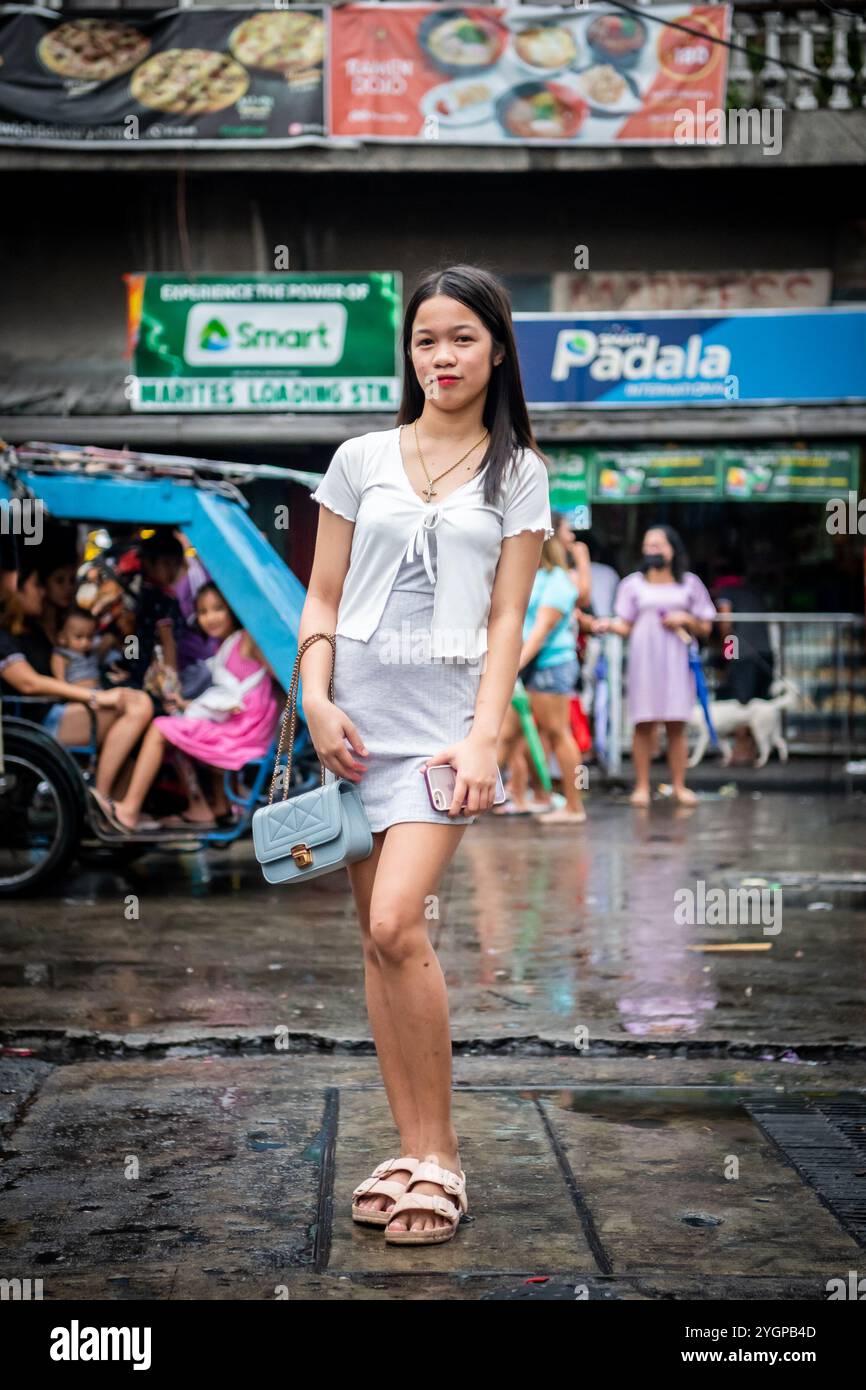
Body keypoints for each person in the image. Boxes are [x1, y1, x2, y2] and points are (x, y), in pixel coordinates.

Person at [303, 264, 553, 1245]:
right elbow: (320, 599)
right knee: (376, 939)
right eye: (423, 341)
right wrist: (315, 699)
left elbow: (506, 617)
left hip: (442, 731)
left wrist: (486, 731)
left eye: (459, 338)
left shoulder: (517, 469)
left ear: (495, 347)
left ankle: (441, 1155)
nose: (440, 357)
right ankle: (409, 1146)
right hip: (353, 722)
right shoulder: (360, 457)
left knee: (402, 918)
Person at [91, 583, 279, 832]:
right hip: (237, 724)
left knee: (160, 728)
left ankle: (129, 810)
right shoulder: (224, 645)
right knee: (175, 727)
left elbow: (282, 676)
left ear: (231, 609)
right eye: (202, 611)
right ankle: (210, 807)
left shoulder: (247, 641)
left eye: (217, 609)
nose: (209, 618)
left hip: (247, 730)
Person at [0, 559, 154, 796]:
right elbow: (29, 683)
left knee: (141, 702)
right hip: (39, 722)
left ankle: (120, 804)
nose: (41, 593)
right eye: (36, 586)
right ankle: (102, 798)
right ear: (15, 590)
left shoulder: (36, 630)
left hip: (56, 712)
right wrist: (95, 697)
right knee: (138, 705)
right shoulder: (5, 639)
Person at [600, 524, 715, 807]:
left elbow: (706, 626)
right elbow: (625, 624)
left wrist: (685, 619)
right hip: (644, 662)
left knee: (677, 724)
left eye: (658, 545)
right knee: (644, 724)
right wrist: (603, 625)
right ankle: (641, 786)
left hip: (677, 662)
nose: (652, 550)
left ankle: (679, 786)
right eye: (648, 545)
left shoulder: (689, 584)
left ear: (672, 549)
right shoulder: (632, 584)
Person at [496, 537, 592, 822]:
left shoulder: (558, 581)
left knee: (558, 733)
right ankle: (475, 799)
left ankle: (574, 807)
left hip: (549, 665)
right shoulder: (535, 576)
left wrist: (513, 666)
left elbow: (543, 629)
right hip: (529, 666)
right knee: (505, 735)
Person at [50, 606, 102, 689]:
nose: (85, 642)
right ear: (62, 638)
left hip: (99, 694)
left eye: (90, 637)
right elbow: (60, 685)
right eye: (79, 637)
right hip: (76, 697)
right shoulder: (61, 656)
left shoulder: (91, 653)